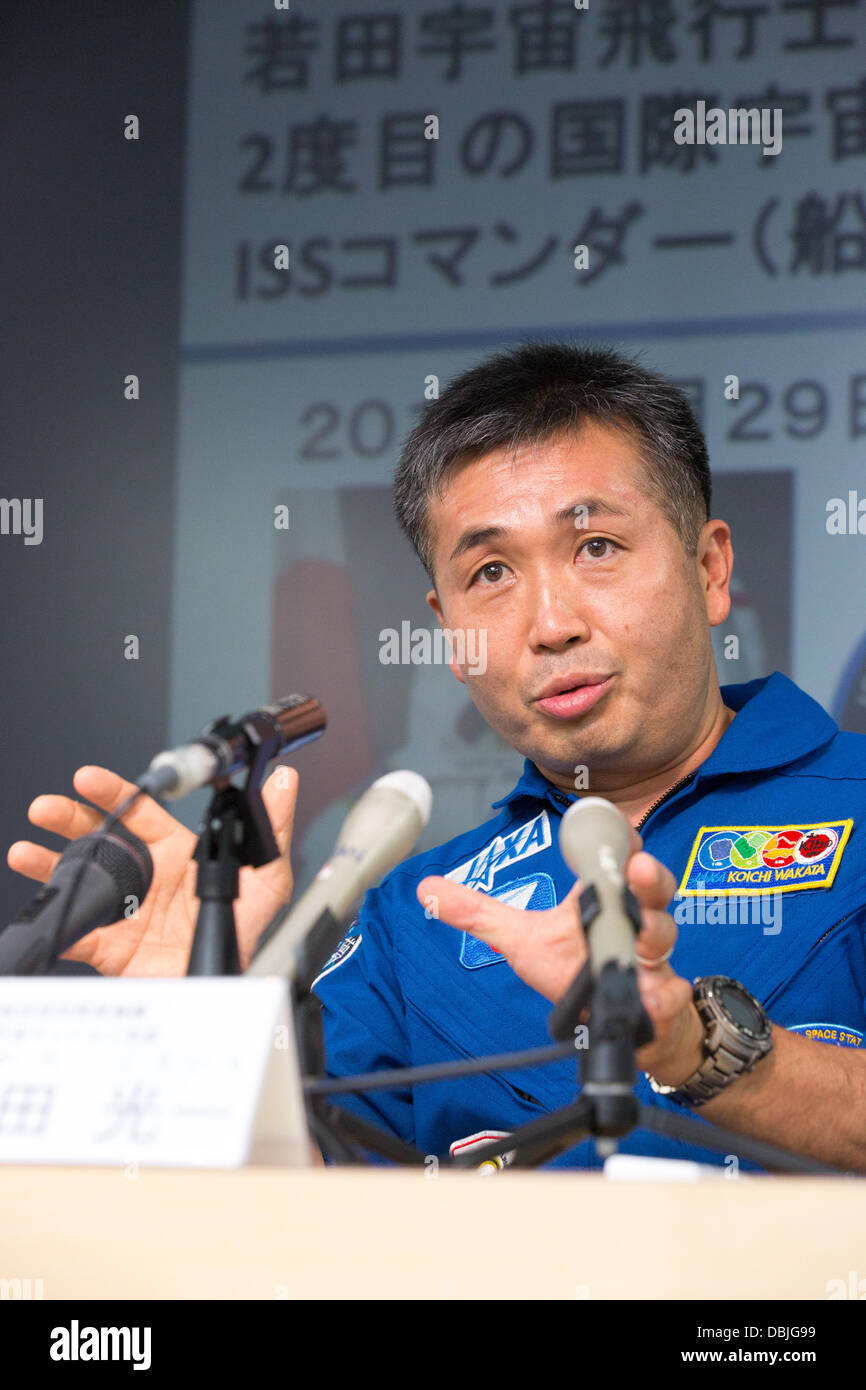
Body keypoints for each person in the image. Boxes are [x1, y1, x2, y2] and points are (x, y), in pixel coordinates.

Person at [8, 343, 866, 1172]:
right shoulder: (412, 914)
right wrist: (198, 1023)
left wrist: (693, 1043)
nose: (550, 623)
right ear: (449, 636)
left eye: (596, 547)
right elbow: (299, 1213)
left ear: (711, 569)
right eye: (491, 573)